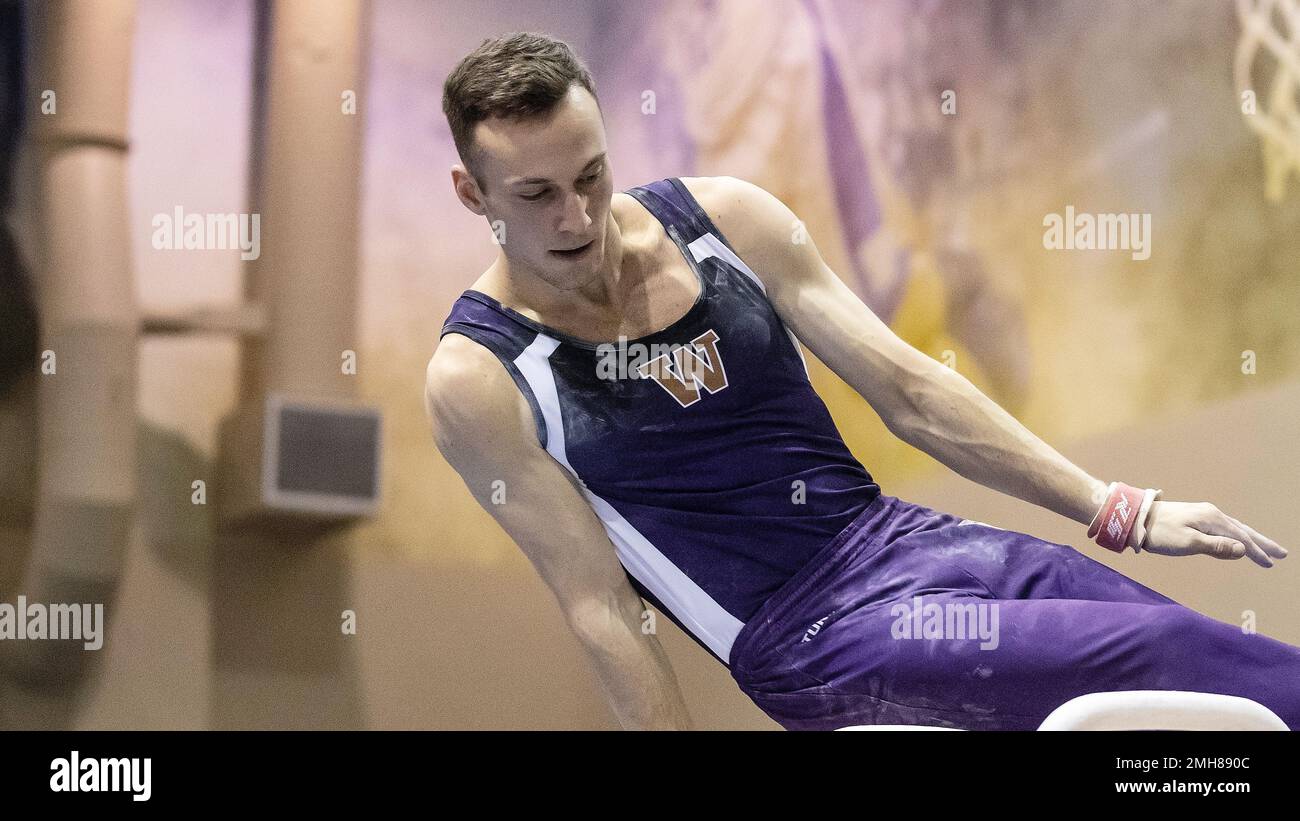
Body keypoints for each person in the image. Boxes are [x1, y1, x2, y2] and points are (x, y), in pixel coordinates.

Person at [424, 32, 1295, 730]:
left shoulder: (725, 221)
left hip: (909, 541)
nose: (577, 217)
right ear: (474, 192)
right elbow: (600, 605)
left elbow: (912, 390)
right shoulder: (481, 375)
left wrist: (1120, 509)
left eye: (590, 175)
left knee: (1212, 664)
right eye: (536, 194)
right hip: (814, 635)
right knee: (1148, 656)